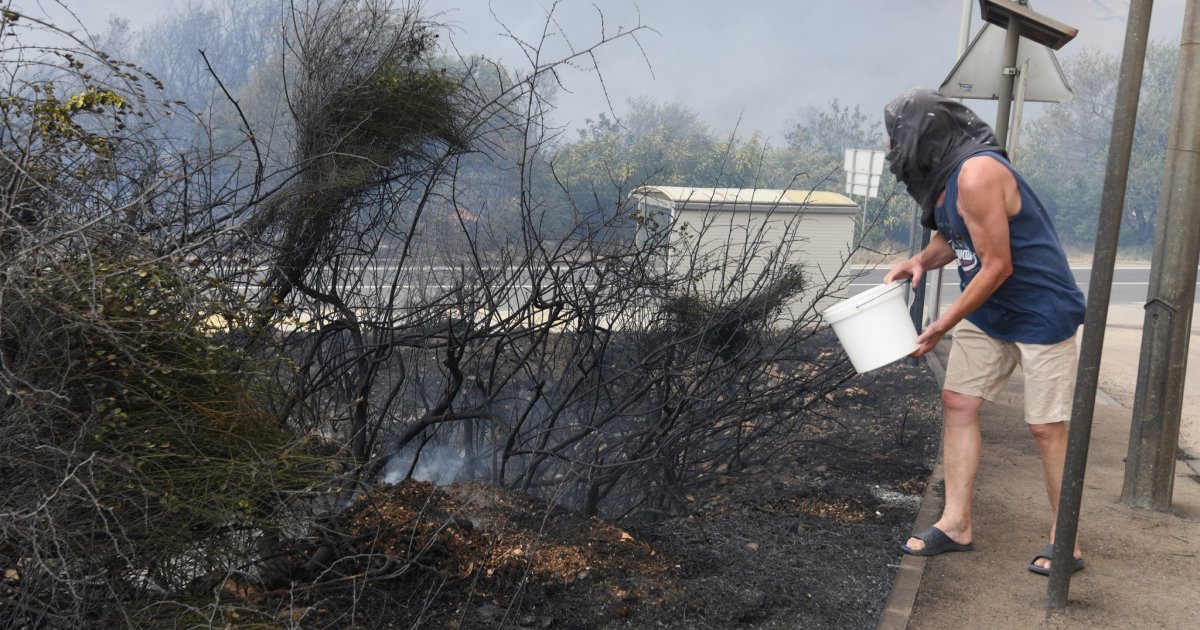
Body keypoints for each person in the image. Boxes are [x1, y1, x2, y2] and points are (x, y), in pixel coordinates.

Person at [881, 88, 1087, 575]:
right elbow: (956, 237)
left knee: (1045, 426)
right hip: (990, 310)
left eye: (896, 136)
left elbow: (996, 265)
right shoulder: (948, 178)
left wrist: (941, 324)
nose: (892, 148)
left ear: (923, 134)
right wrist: (920, 260)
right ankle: (956, 524)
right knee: (958, 402)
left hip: (1041, 311)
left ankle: (1067, 540)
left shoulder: (977, 173)